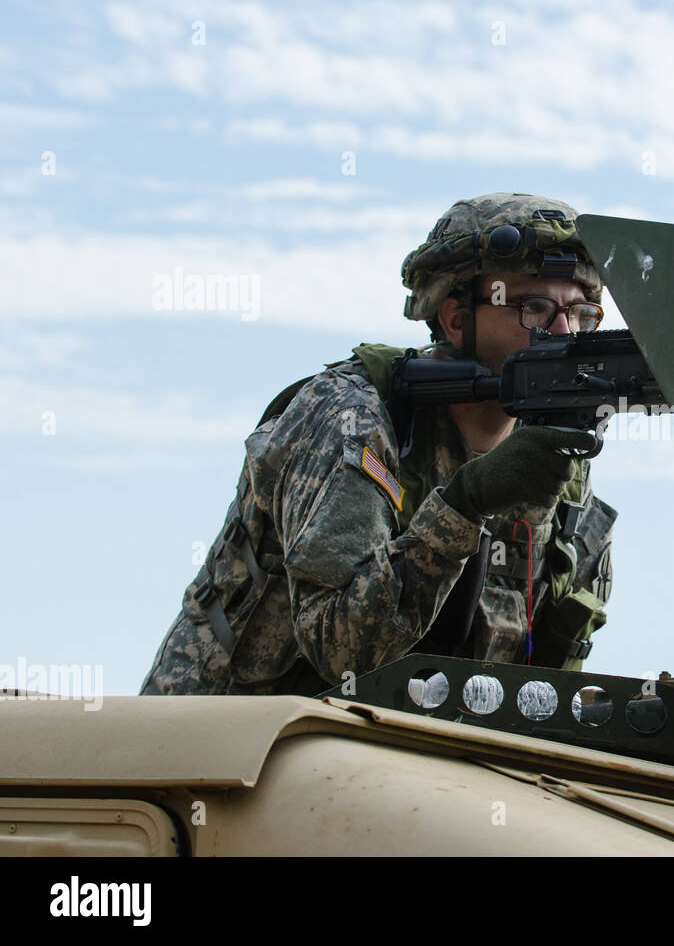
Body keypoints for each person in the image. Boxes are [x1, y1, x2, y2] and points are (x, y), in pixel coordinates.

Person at [141, 193, 617, 696]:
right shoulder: (353, 418)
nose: (566, 333)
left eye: (582, 313)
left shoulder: (556, 456)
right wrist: (464, 504)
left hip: (406, 755)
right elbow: (342, 653)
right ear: (456, 319)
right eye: (536, 307)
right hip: (224, 746)